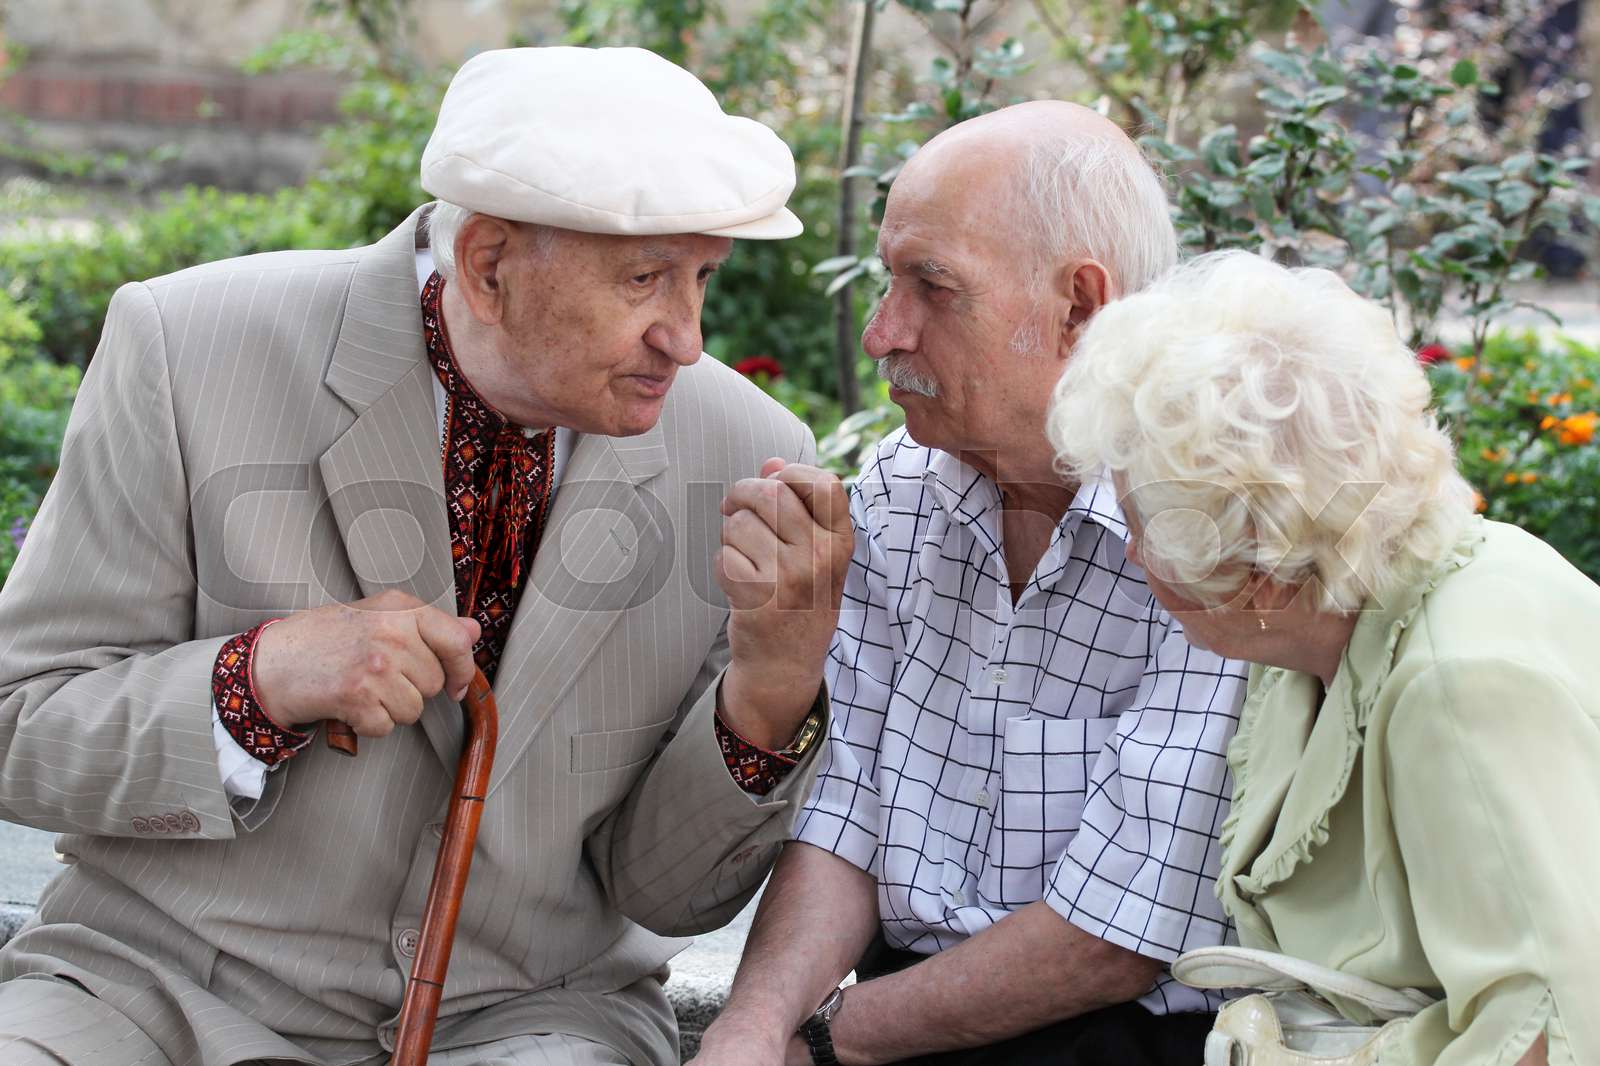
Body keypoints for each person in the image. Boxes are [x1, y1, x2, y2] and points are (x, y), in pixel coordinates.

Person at [0, 46, 855, 1066]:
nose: (687, 337)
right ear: (488, 265)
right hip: (154, 993)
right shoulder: (188, 344)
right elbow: (20, 727)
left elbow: (670, 894)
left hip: (527, 1022)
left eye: (703, 276)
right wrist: (254, 681)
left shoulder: (747, 451)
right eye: (645, 279)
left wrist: (770, 688)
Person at [692, 102, 1248, 1066]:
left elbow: (1117, 939)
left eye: (933, 286)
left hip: (1127, 1041)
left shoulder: (1216, 528)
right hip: (897, 1012)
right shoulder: (902, 489)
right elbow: (844, 817)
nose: (882, 332)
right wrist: (749, 1027)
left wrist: (819, 1040)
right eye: (887, 282)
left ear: (1080, 306)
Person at [1045, 250, 1598, 1066]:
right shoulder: (1313, 623)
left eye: (1144, 526)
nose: (1130, 553)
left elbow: (1553, 1035)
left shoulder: (1461, 683)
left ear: (1258, 567)